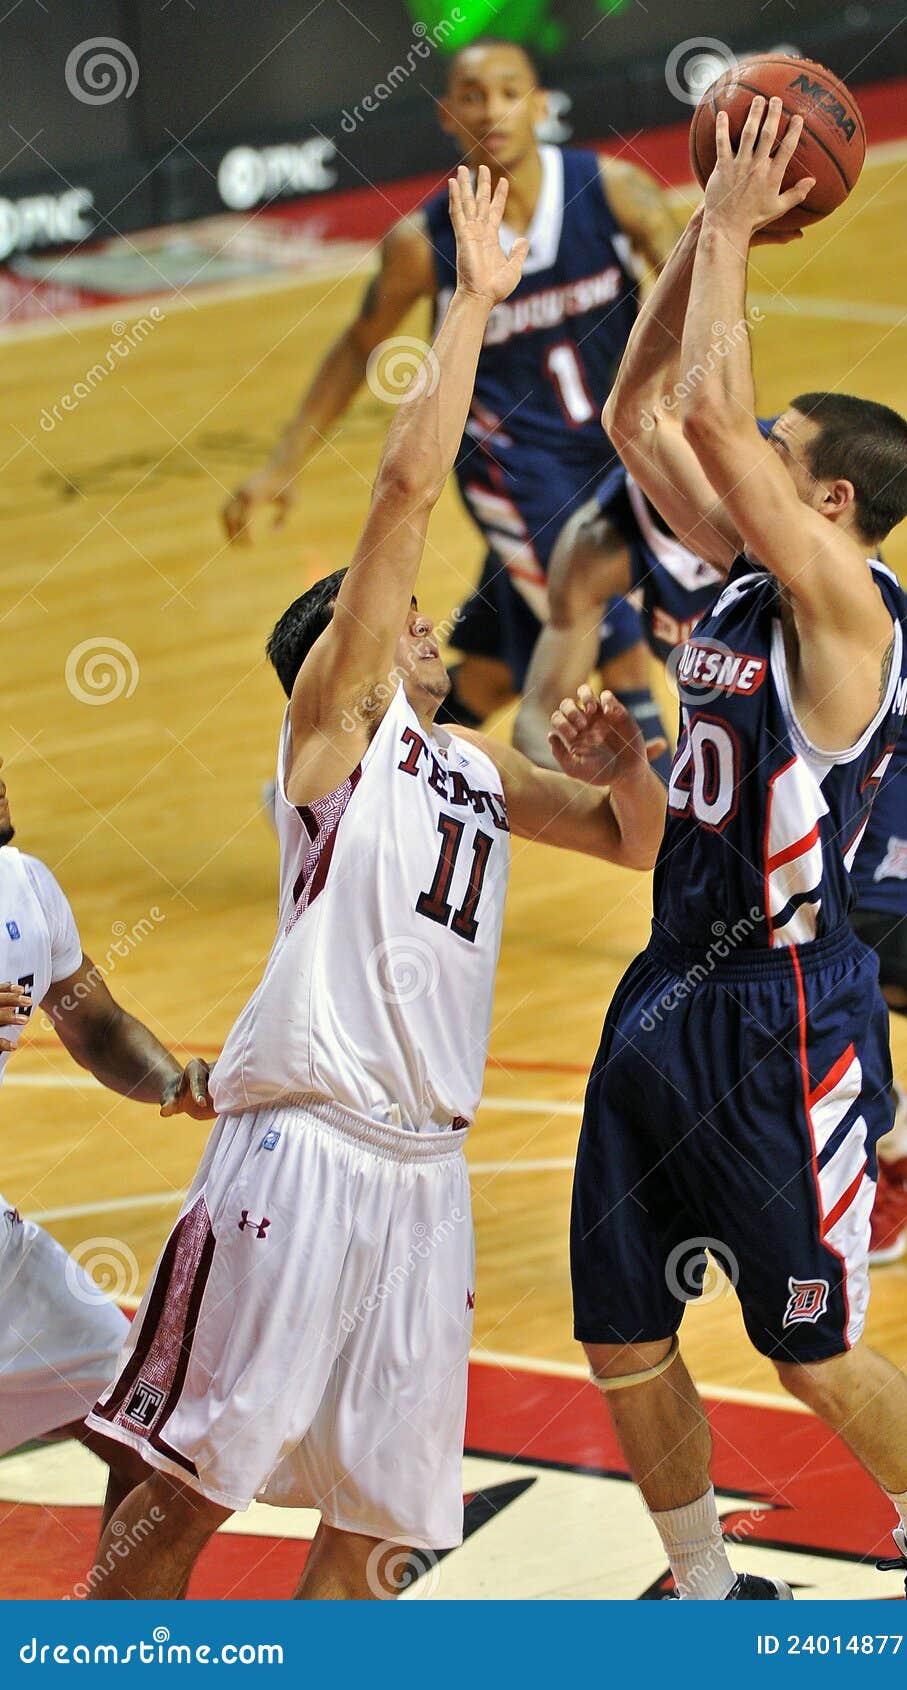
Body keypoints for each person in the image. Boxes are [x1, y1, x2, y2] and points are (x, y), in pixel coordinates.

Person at [85, 166, 665, 1602]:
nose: (423, 617)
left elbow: (636, 842)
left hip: (428, 1181)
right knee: (178, 1497)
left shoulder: (465, 764)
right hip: (310, 1156)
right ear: (338, 659)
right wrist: (474, 299)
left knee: (376, 1532)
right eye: (396, 614)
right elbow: (408, 485)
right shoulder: (339, 742)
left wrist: (628, 759)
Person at [572, 99, 907, 1602]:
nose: (749, 451)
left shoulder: (844, 614)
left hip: (778, 1010)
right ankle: (701, 1577)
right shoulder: (752, 581)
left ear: (828, 503)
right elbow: (650, 418)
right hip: (661, 988)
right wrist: (698, 229)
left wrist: (740, 232)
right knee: (619, 1325)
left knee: (804, 1342)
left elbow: (707, 418)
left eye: (779, 451)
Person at [514, 422, 907, 1265]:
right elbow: (540, 713)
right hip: (780, 754)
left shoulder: (782, 477)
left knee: (872, 946)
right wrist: (624, 759)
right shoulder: (600, 546)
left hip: (905, 725)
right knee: (781, 976)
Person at [222, 36, 681, 773]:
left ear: (539, 105)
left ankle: (349, 773)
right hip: (513, 468)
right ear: (446, 114)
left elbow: (693, 300)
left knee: (496, 672)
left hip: (618, 453)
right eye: (472, 95)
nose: (491, 109)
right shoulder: (422, 241)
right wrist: (280, 466)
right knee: (608, 623)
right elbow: (356, 346)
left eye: (508, 91)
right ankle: (677, 821)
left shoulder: (618, 192)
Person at [0, 757, 213, 1533]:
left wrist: (168, 1081)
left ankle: (115, 1652)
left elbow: (94, 1022)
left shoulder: (23, 887)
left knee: (147, 1435)